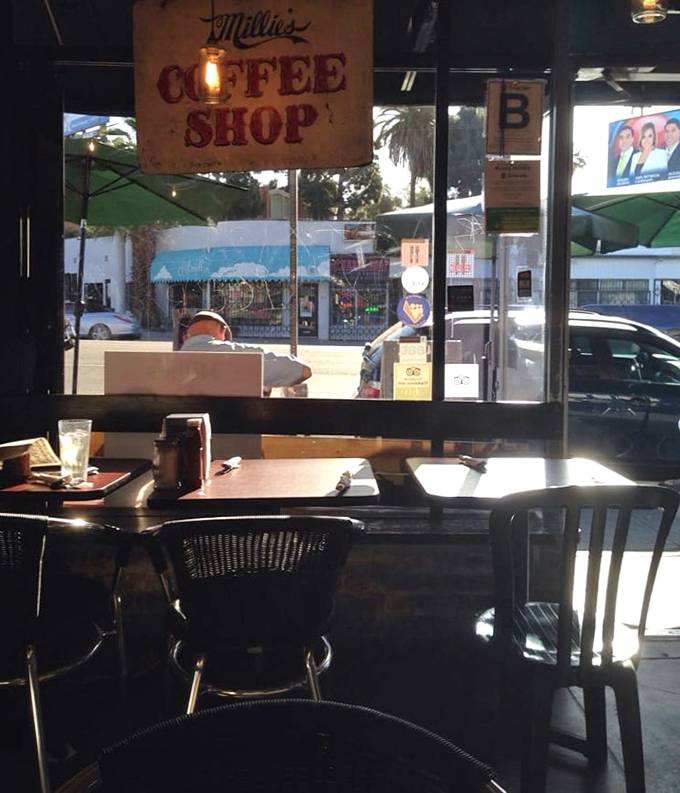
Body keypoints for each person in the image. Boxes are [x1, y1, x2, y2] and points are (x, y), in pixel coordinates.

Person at [180, 310, 312, 392]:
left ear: (185, 338)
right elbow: (301, 369)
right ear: (223, 333)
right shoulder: (240, 355)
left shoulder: (163, 363)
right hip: (236, 432)